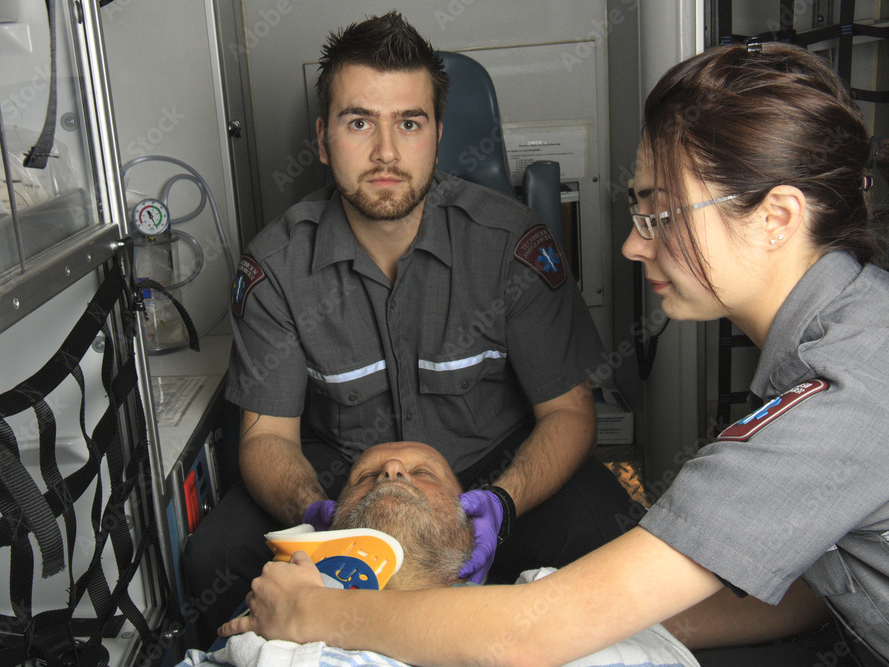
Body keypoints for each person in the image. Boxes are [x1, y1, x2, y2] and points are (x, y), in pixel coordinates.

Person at [219, 41, 889, 666]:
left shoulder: (837, 397)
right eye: (638, 207)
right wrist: (581, 609)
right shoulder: (855, 325)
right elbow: (809, 589)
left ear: (776, 218)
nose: (631, 243)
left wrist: (324, 611)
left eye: (659, 211)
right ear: (323, 136)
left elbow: (531, 632)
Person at [182, 10, 640, 645]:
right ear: (323, 138)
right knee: (216, 562)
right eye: (359, 121)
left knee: (610, 536)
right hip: (346, 481)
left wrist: (502, 506)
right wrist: (320, 518)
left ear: (439, 133)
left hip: (490, 469)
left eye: (410, 123)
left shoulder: (511, 246)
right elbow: (266, 439)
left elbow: (568, 413)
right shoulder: (277, 267)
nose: (386, 153)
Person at [177, 443, 697, 667]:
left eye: (424, 474)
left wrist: (310, 613)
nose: (394, 471)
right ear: (328, 525)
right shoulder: (265, 618)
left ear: (474, 534)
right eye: (365, 479)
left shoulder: (552, 595)